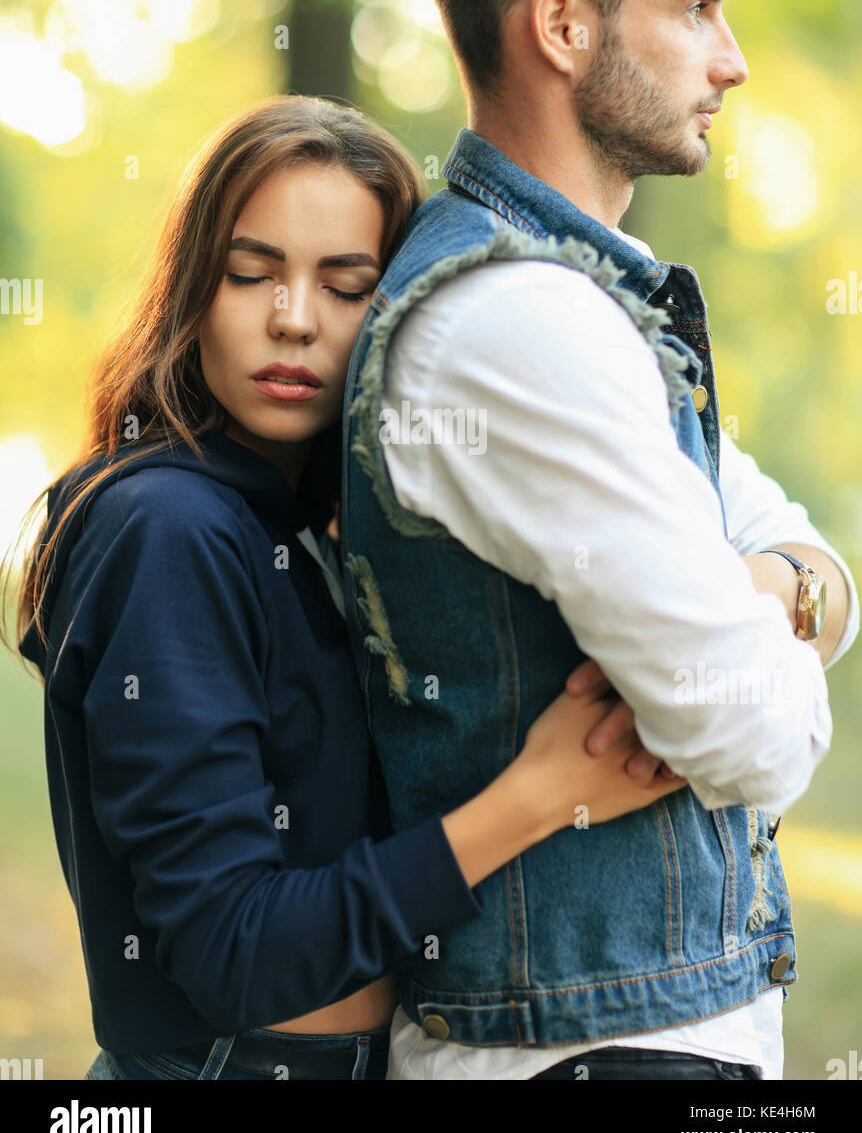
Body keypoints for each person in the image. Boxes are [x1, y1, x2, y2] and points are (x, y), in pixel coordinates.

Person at [0, 94, 686, 1082]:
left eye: (344, 283)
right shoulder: (168, 530)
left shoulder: (298, 530)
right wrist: (536, 796)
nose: (292, 319)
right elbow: (235, 951)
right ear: (193, 293)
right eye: (250, 274)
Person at [340, 0, 860, 1081]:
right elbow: (751, 734)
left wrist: (777, 585)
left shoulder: (582, 305)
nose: (729, 58)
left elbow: (808, 552)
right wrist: (770, 623)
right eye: (694, 8)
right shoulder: (514, 325)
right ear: (562, 26)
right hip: (589, 1054)